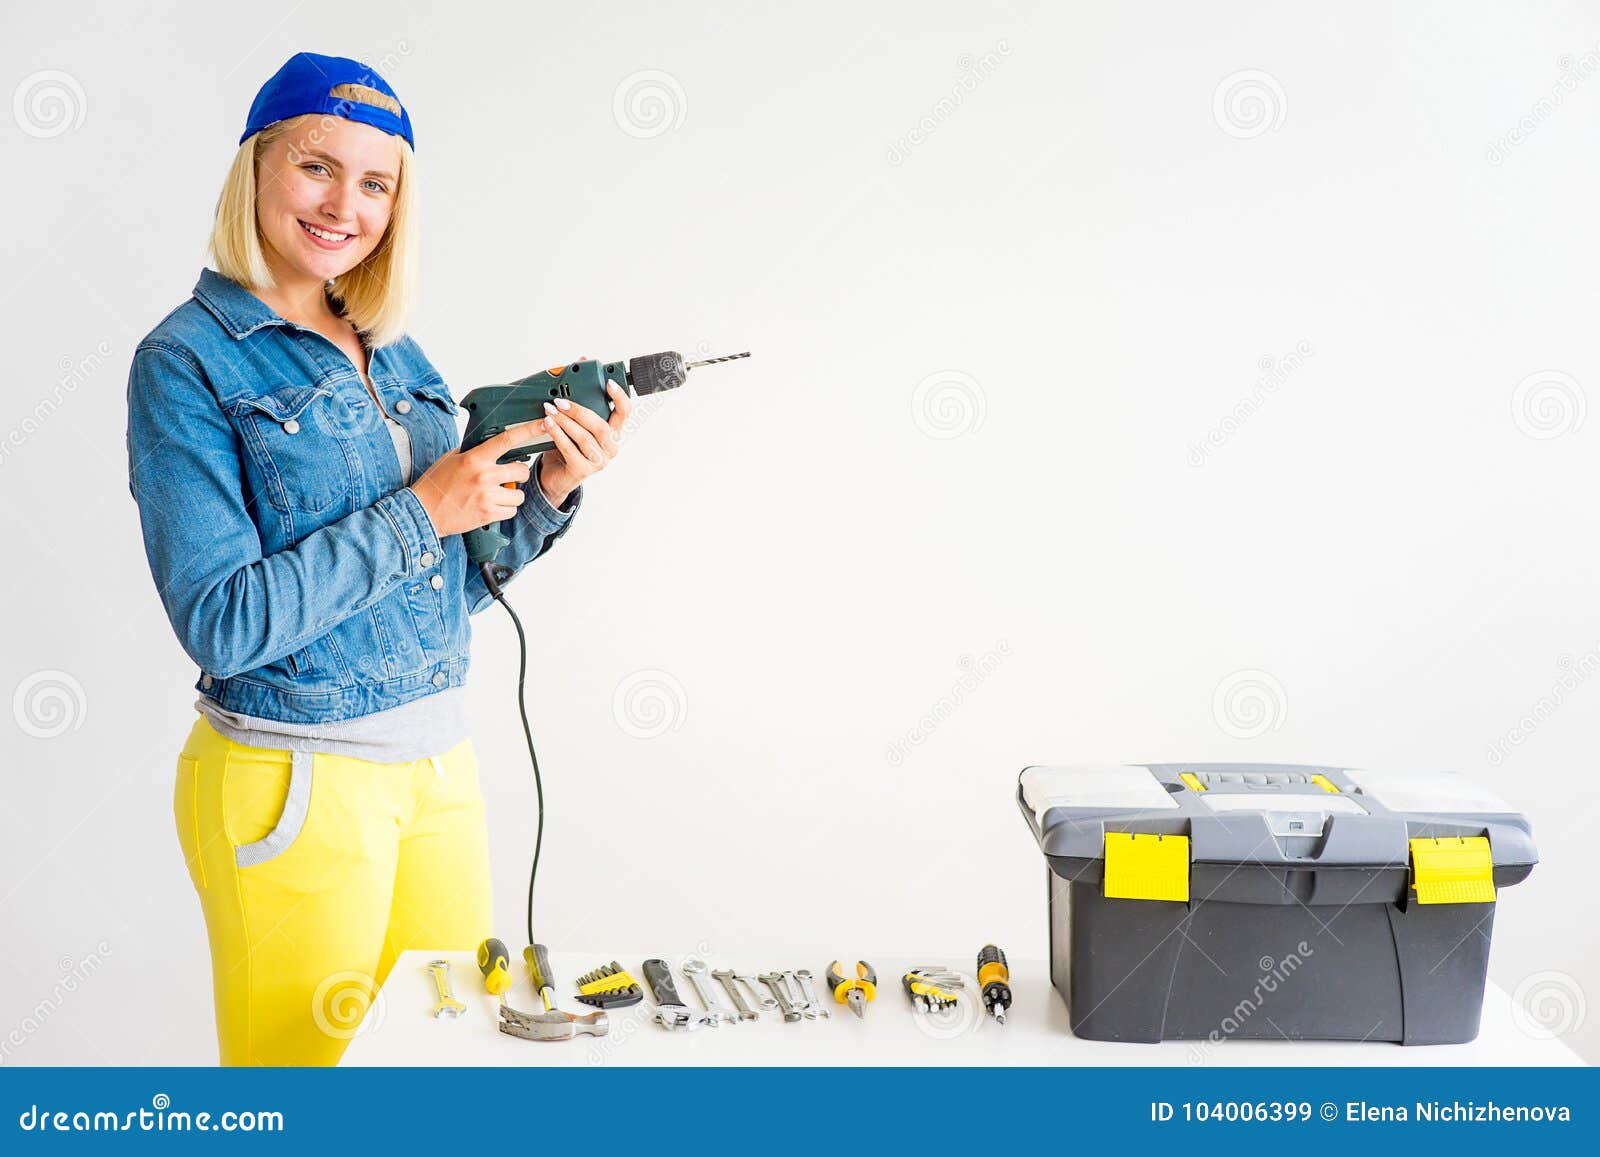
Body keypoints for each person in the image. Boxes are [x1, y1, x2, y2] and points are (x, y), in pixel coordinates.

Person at [124, 52, 632, 1065]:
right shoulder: (186, 359)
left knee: (440, 1082)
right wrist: (420, 509)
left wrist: (547, 496)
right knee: (302, 1102)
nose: (343, 205)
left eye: (375, 183)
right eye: (317, 167)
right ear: (256, 167)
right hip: (293, 778)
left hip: (437, 769)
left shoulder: (395, 352)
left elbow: (442, 584)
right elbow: (222, 617)